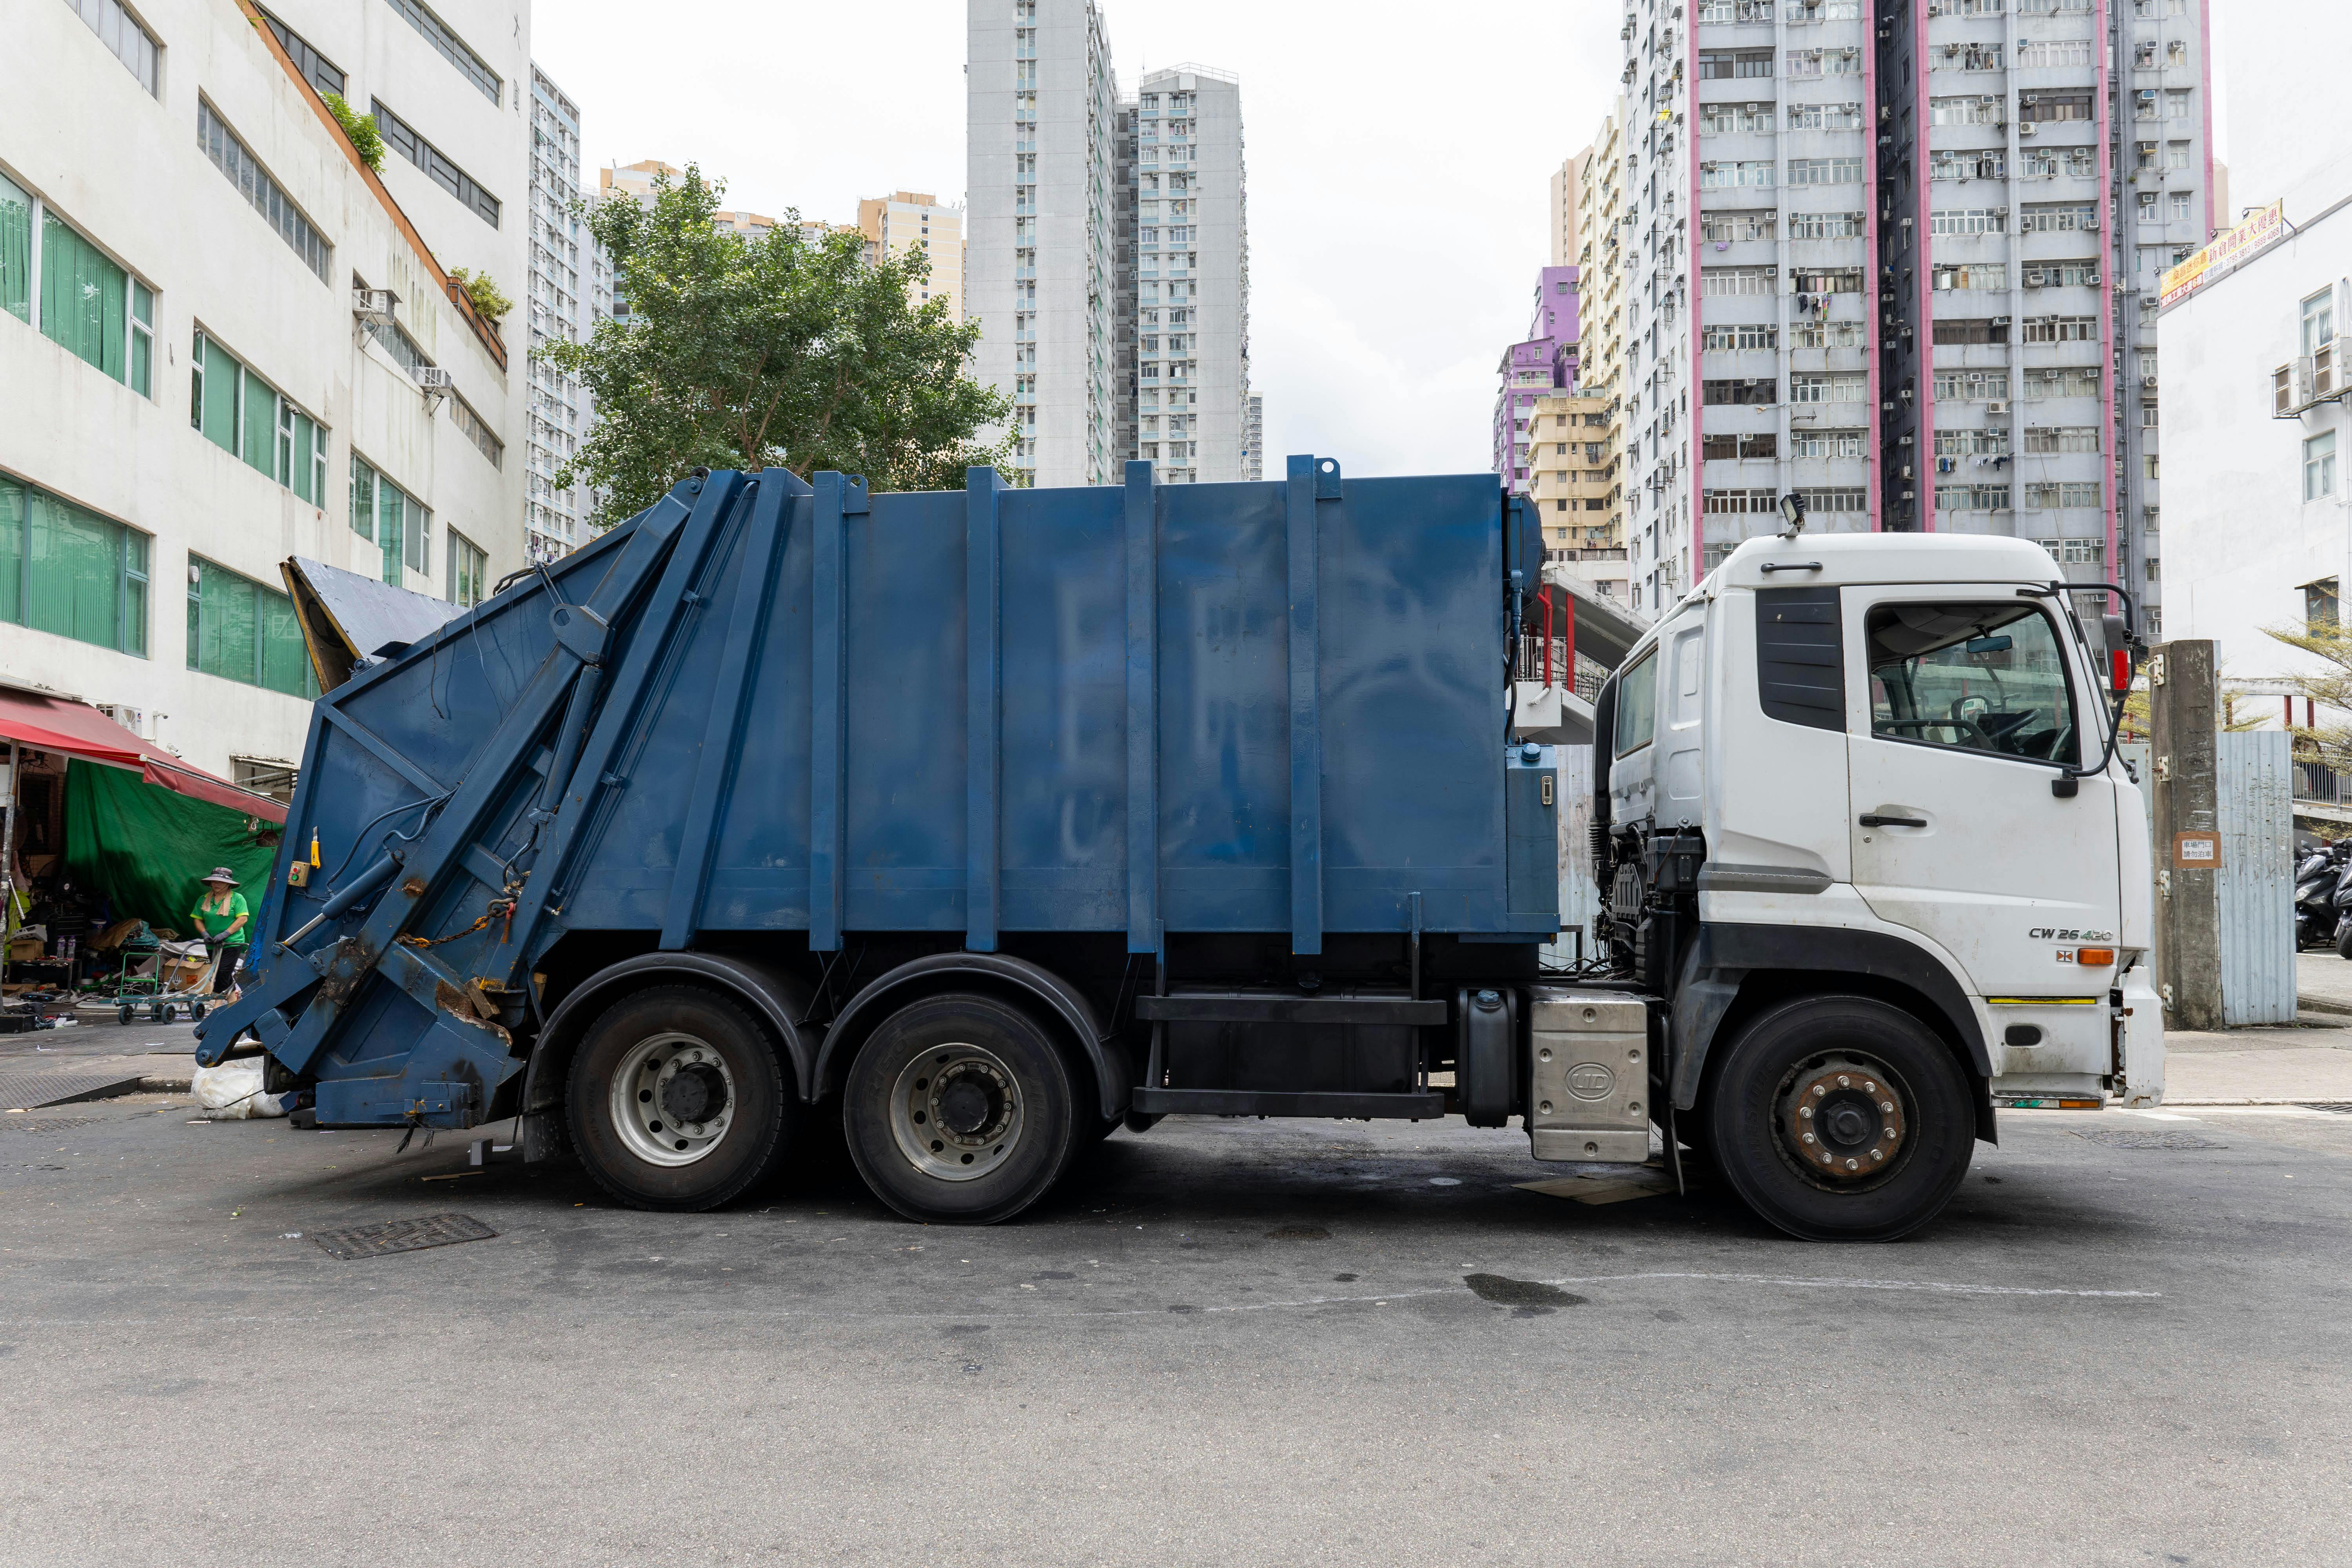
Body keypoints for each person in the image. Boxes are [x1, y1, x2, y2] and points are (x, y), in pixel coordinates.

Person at [189, 867, 249, 994]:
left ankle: (216, 1000)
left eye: (221, 882)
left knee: (223, 971)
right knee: (219, 972)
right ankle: (232, 1003)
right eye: (215, 881)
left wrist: (225, 934)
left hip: (232, 942)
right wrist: (205, 934)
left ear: (228, 884)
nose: (217, 884)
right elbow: (197, 919)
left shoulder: (237, 899)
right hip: (212, 943)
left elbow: (243, 919)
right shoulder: (203, 899)